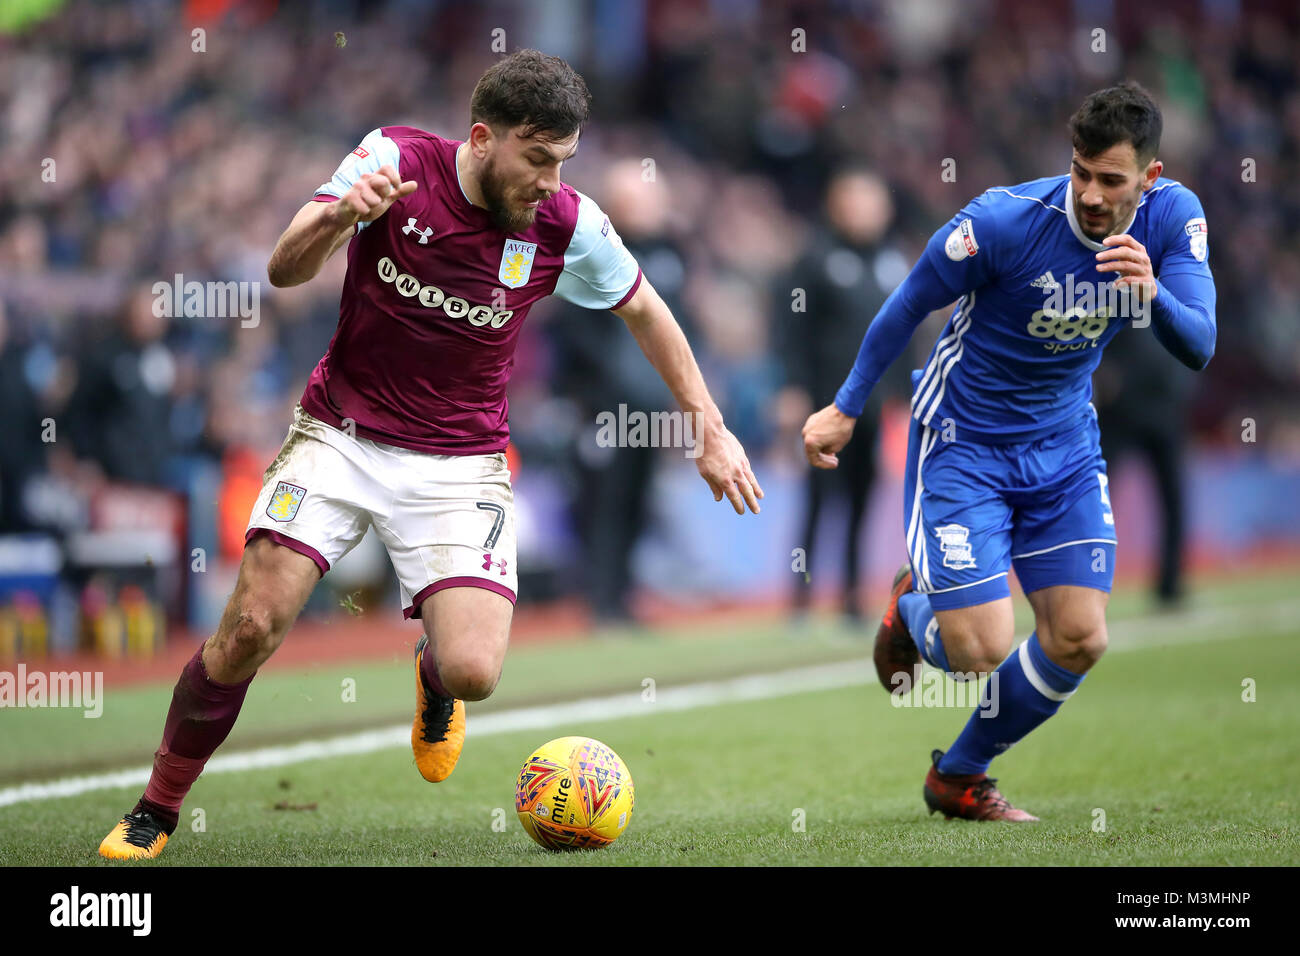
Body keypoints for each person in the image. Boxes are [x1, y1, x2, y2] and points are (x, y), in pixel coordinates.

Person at [99, 49, 762, 860]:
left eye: (565, 162)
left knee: (475, 671)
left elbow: (648, 311)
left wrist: (710, 426)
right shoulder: (394, 161)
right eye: (538, 159)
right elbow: (282, 269)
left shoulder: (568, 223)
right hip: (340, 435)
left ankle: (433, 676)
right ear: (483, 139)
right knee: (249, 626)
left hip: (460, 461)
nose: (552, 181)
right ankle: (158, 808)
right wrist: (342, 215)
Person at [802, 82, 1215, 821]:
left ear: (1149, 179)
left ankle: (958, 777)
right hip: (965, 445)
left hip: (1063, 450)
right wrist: (846, 406)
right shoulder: (1002, 220)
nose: (1090, 194)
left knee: (1080, 638)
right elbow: (909, 302)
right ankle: (910, 615)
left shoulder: (1173, 220)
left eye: (1111, 180)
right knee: (979, 651)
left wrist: (1151, 293)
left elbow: (1200, 345)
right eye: (1081, 171)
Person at [779, 168, 906, 621]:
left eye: (870, 203)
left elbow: (908, 334)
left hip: (875, 409)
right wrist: (792, 387)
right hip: (825, 405)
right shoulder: (815, 260)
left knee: (861, 502)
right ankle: (801, 599)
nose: (863, 212)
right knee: (817, 500)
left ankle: (852, 599)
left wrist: (903, 396)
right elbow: (791, 328)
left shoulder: (893, 264)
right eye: (853, 201)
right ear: (836, 206)